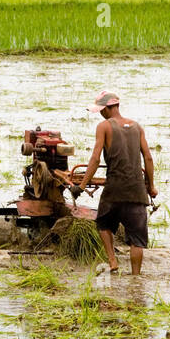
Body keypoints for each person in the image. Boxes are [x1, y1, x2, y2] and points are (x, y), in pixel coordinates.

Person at [71, 90, 157, 275]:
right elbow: (148, 159)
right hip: (137, 191)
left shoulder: (104, 126)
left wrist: (82, 185)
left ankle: (112, 261)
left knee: (103, 223)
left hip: (114, 189)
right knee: (137, 240)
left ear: (106, 109)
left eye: (101, 110)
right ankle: (136, 277)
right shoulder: (137, 127)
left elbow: (94, 159)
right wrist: (151, 186)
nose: (100, 113)